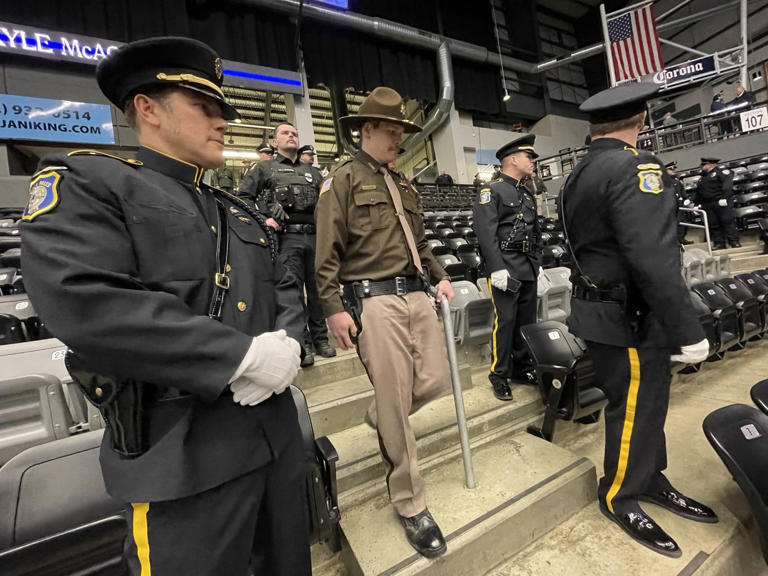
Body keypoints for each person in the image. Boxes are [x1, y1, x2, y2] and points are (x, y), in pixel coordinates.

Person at [20, 37, 310, 575]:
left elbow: (284, 284)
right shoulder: (90, 180)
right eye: (205, 108)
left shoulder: (236, 209)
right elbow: (86, 298)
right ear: (147, 108)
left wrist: (288, 342)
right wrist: (238, 358)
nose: (223, 121)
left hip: (272, 440)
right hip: (180, 456)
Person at [562, 81, 717, 558]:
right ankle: (620, 495)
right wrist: (687, 329)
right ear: (642, 120)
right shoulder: (636, 167)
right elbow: (652, 257)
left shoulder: (577, 172)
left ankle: (649, 477)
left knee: (646, 404)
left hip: (603, 310)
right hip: (628, 316)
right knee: (632, 408)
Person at [315, 86, 454, 559]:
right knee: (394, 399)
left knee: (434, 381)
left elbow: (422, 242)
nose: (399, 139)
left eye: (401, 131)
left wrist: (441, 277)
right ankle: (411, 503)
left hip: (417, 294)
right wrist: (333, 306)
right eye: (392, 131)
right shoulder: (344, 179)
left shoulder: (406, 184)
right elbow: (327, 248)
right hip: (375, 301)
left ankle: (383, 416)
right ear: (367, 130)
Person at [239, 122, 336, 366]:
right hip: (286, 238)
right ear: (275, 142)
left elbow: (327, 206)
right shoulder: (263, 168)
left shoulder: (313, 173)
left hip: (314, 236)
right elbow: (242, 199)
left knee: (316, 291)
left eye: (294, 133)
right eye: (285, 133)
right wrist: (264, 218)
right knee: (292, 292)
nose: (291, 136)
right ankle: (300, 343)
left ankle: (321, 338)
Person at [472, 135, 540, 401]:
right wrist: (496, 268)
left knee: (527, 322)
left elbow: (534, 230)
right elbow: (485, 234)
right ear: (513, 159)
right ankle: (499, 374)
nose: (533, 161)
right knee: (506, 321)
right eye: (529, 157)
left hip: (527, 265)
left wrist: (538, 262)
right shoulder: (492, 190)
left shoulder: (525, 191)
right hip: (507, 267)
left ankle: (522, 368)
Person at [693, 157, 739, 249]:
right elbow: (699, 192)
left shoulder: (720, 172)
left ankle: (734, 242)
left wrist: (724, 198)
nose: (701, 166)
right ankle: (719, 243)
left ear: (711, 164)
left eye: (703, 164)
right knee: (714, 224)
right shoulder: (703, 177)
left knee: (727, 221)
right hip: (708, 204)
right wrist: (696, 204)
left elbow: (727, 185)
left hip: (721, 202)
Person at [665, 161, 693, 245]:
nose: (674, 170)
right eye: (671, 169)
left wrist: (686, 199)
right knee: (674, 224)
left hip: (680, 205)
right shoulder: (664, 181)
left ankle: (681, 238)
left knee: (682, 222)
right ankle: (675, 240)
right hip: (671, 206)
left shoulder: (677, 180)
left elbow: (682, 191)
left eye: (674, 169)